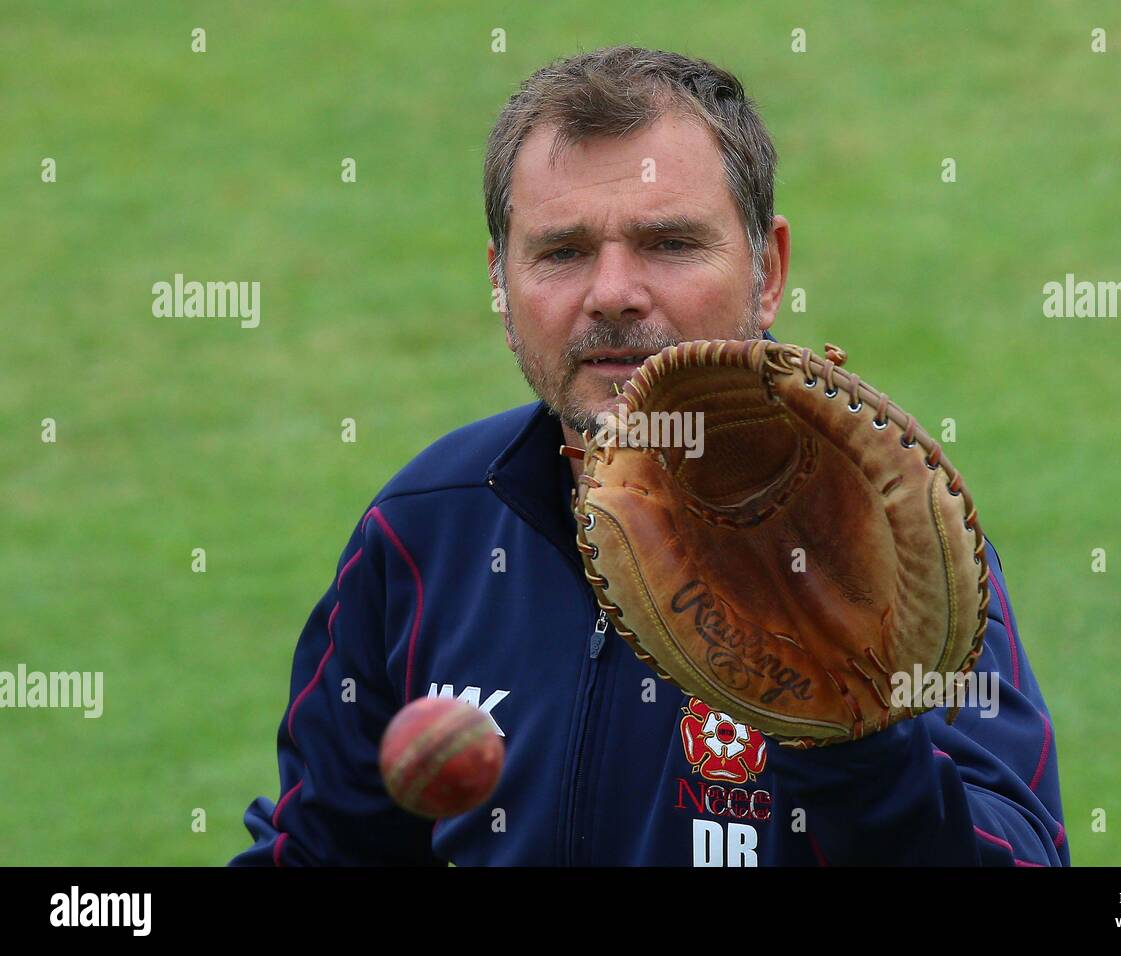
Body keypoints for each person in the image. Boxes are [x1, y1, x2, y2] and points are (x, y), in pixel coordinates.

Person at [230, 45, 1068, 866]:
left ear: (767, 270)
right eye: (561, 252)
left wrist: (855, 746)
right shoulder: (424, 533)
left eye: (669, 244)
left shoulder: (887, 548)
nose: (612, 294)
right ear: (500, 281)